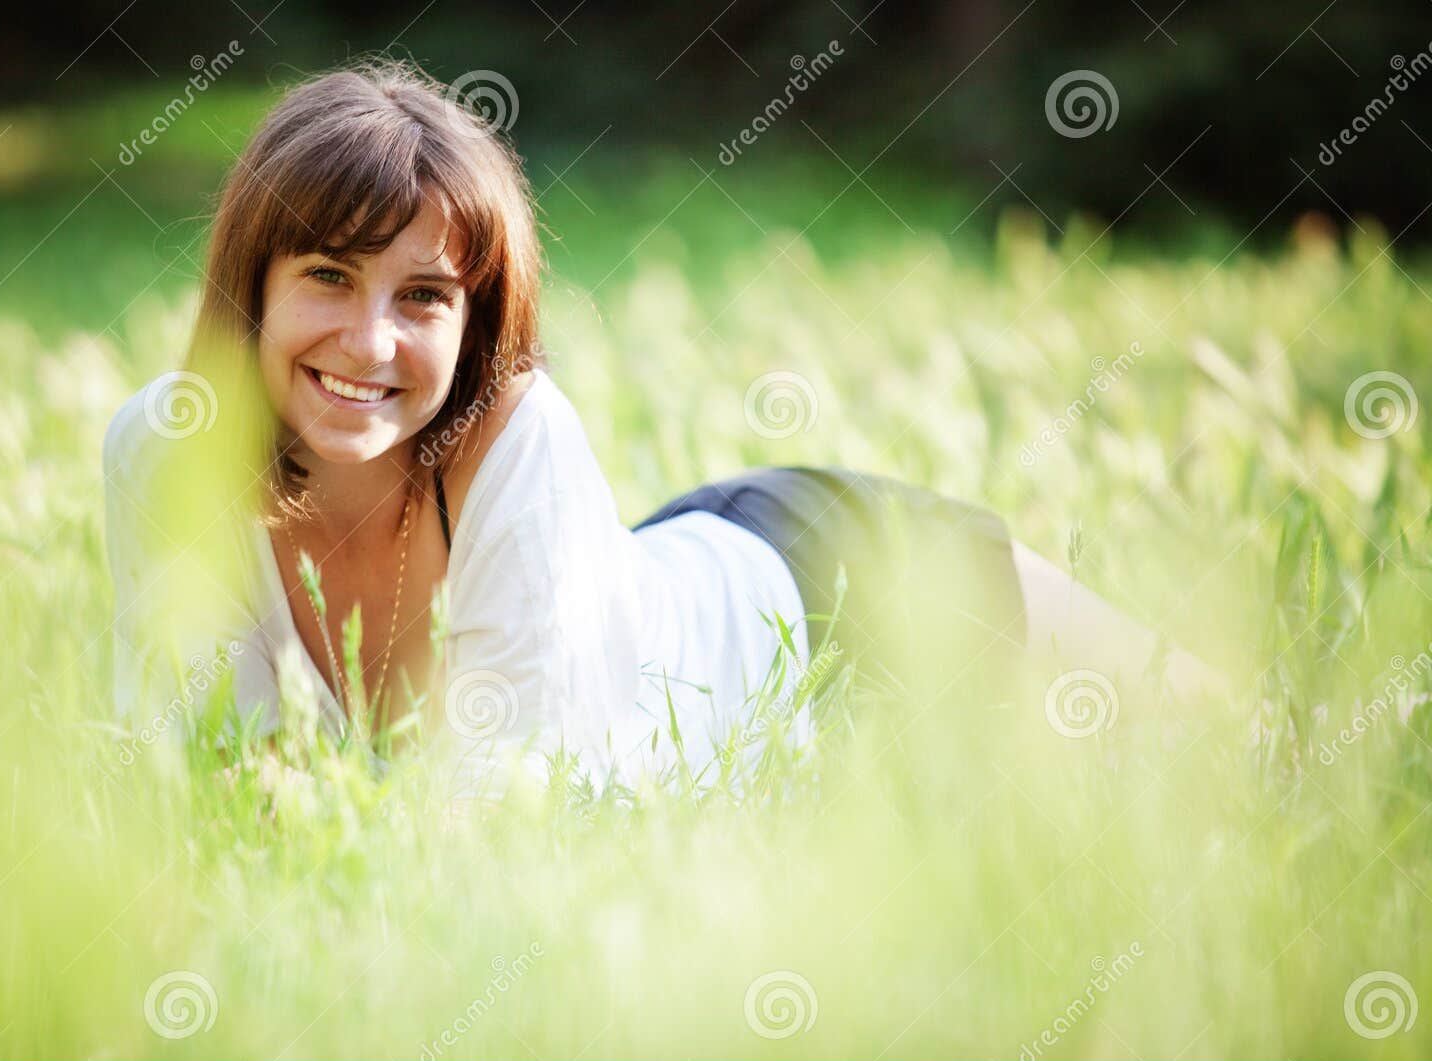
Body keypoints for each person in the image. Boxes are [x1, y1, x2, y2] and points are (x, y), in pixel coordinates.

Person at [103, 60, 1219, 801]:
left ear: (475, 320)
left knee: (1242, 740)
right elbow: (211, 771)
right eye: (329, 276)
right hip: (660, 577)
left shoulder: (517, 438)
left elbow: (497, 822)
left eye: (425, 296)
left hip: (823, 575)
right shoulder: (166, 448)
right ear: (250, 285)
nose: (370, 340)